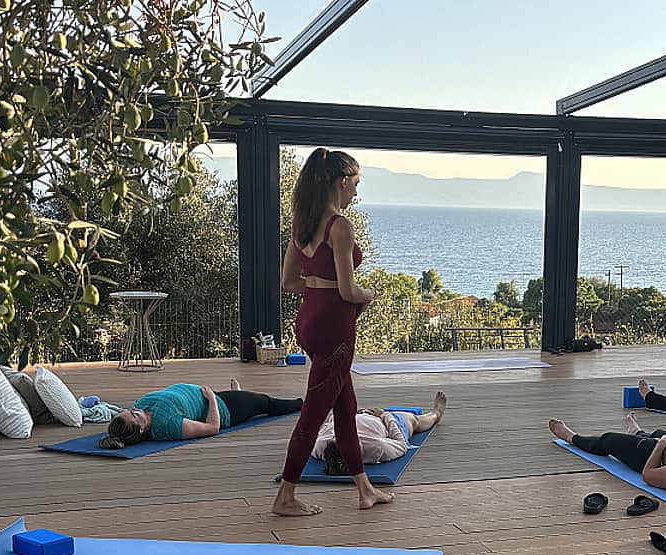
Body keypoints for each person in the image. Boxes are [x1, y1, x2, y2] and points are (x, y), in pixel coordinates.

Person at [272, 147, 393, 516]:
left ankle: (364, 489)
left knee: (346, 407)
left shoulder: (303, 225)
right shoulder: (339, 226)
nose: (355, 193)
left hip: (309, 319)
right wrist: (369, 295)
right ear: (342, 182)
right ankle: (286, 497)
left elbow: (289, 282)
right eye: (355, 184)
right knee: (313, 414)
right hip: (335, 326)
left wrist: (317, 283)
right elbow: (347, 289)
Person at [99, 380, 302, 448]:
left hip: (215, 397)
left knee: (249, 399)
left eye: (130, 410)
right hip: (224, 408)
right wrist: (212, 398)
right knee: (265, 403)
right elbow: (213, 428)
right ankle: (302, 404)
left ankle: (241, 395)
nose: (135, 410)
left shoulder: (142, 409)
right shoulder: (167, 425)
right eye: (134, 415)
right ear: (141, 427)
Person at [315, 392, 447, 469]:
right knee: (414, 421)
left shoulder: (321, 445)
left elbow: (327, 424)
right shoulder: (375, 447)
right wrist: (385, 415)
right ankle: (436, 414)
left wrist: (350, 415)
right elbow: (401, 444)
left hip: (358, 415)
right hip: (384, 422)